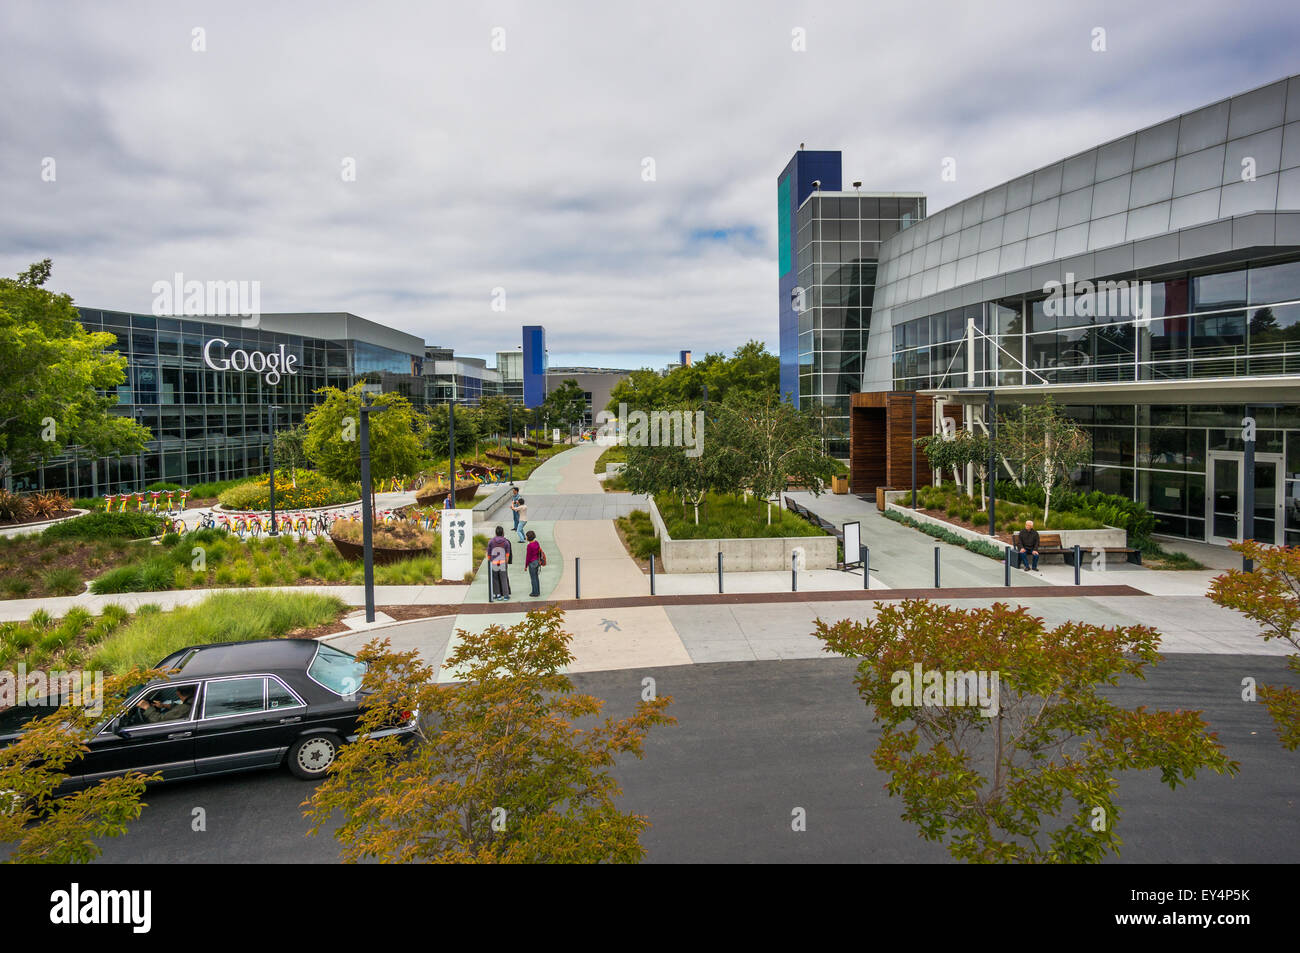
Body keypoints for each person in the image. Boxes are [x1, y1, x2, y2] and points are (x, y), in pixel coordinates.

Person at [488, 525, 512, 601]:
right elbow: (507, 554)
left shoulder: (491, 541)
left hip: (494, 562)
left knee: (495, 579)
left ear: (496, 533)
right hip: (502, 562)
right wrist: (506, 563)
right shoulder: (506, 542)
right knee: (503, 579)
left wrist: (490, 561)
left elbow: (489, 554)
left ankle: (498, 595)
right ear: (503, 532)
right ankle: (506, 595)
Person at [525, 529, 546, 597]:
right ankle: (537, 591)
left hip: (532, 563)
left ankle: (534, 592)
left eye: (526, 536)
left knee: (533, 578)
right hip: (537, 562)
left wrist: (526, 566)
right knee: (536, 577)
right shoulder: (536, 543)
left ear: (528, 538)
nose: (525, 537)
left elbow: (528, 557)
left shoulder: (529, 546)